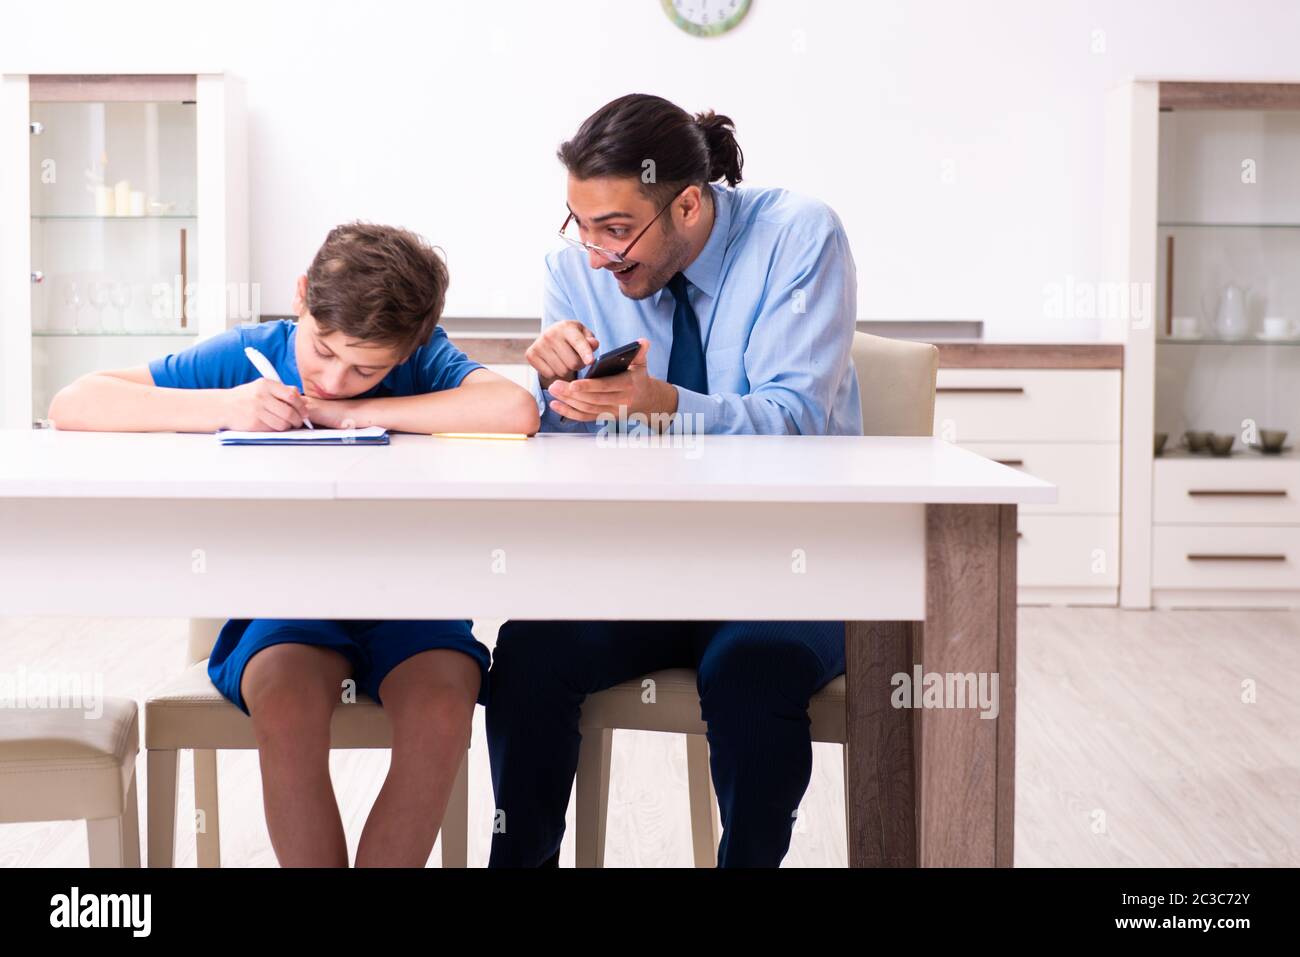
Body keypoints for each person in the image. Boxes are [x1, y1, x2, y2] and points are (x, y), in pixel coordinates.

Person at [49, 221, 539, 866]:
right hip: (285, 602)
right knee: (285, 701)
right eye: (324, 350)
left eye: (368, 368)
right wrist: (224, 406)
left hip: (412, 598)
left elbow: (513, 412)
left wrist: (361, 415)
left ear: (410, 346)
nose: (336, 380)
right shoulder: (248, 354)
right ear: (302, 297)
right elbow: (74, 401)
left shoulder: (422, 361)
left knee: (444, 705)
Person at [487, 94, 861, 867]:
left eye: (616, 229)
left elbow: (794, 423)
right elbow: (572, 454)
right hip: (650, 566)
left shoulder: (798, 236)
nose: (594, 253)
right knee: (527, 660)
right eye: (579, 224)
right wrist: (560, 401)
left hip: (789, 565)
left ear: (688, 204)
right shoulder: (576, 272)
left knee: (750, 676)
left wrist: (663, 406)